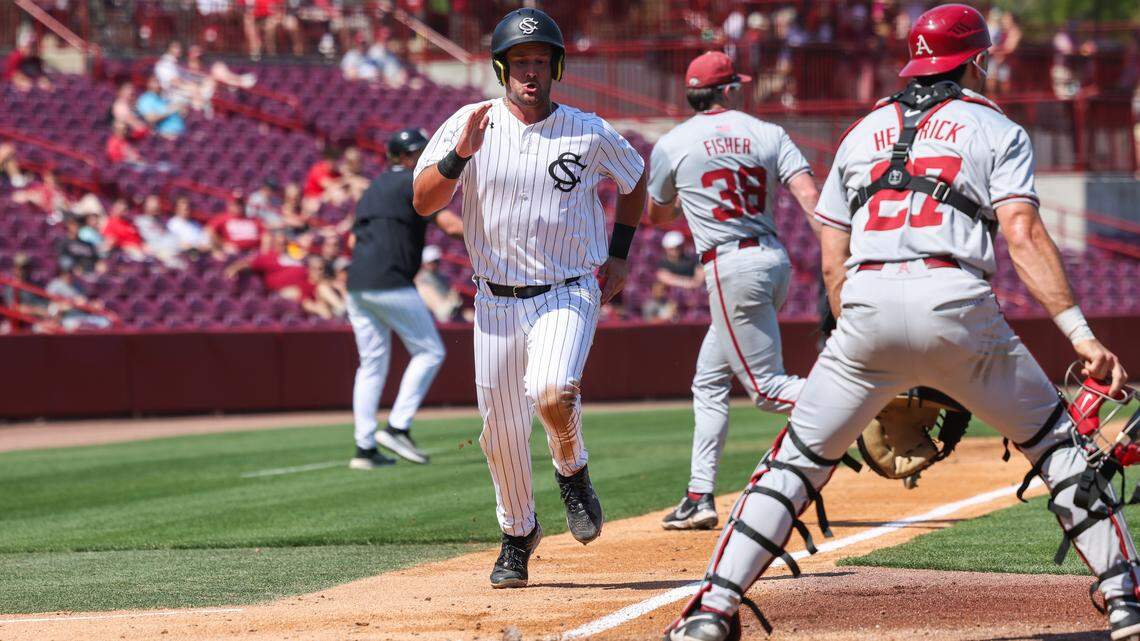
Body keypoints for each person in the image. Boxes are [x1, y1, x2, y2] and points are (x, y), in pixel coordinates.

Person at [664, 6, 1139, 641]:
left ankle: (712, 609)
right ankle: (1125, 599)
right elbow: (1022, 233)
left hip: (866, 299)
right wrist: (1081, 335)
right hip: (957, 298)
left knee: (795, 464)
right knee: (1056, 444)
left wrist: (860, 356)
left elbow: (832, 258)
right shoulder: (996, 128)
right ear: (974, 61)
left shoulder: (860, 133)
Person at [412, 8, 647, 589]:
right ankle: (518, 534)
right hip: (494, 301)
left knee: (551, 389)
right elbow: (422, 200)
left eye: (541, 61)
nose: (531, 73)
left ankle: (572, 468)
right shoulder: (470, 122)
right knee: (500, 432)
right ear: (501, 68)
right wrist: (458, 155)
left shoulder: (588, 129)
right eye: (520, 63)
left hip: (567, 289)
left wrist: (618, 254)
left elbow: (636, 180)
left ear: (557, 66)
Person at [648, 51, 821, 531]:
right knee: (708, 380)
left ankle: (864, 397)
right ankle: (699, 496)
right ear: (728, 90)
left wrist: (693, 198)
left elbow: (656, 216)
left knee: (766, 389)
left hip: (730, 265)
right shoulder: (768, 133)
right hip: (772, 258)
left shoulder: (674, 142)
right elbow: (810, 198)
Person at [345, 128, 463, 470]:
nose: (421, 156)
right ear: (402, 157)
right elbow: (452, 226)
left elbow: (354, 241)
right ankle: (397, 426)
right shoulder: (414, 181)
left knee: (371, 364)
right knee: (430, 351)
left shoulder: (372, 188)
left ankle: (364, 448)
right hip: (390, 281)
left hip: (358, 283)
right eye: (417, 152)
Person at [414, 245, 462, 323]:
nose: (434, 264)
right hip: (436, 311)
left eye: (436, 261)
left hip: (449, 307)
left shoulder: (441, 276)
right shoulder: (420, 278)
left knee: (470, 315)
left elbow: (451, 294)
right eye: (431, 262)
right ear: (425, 262)